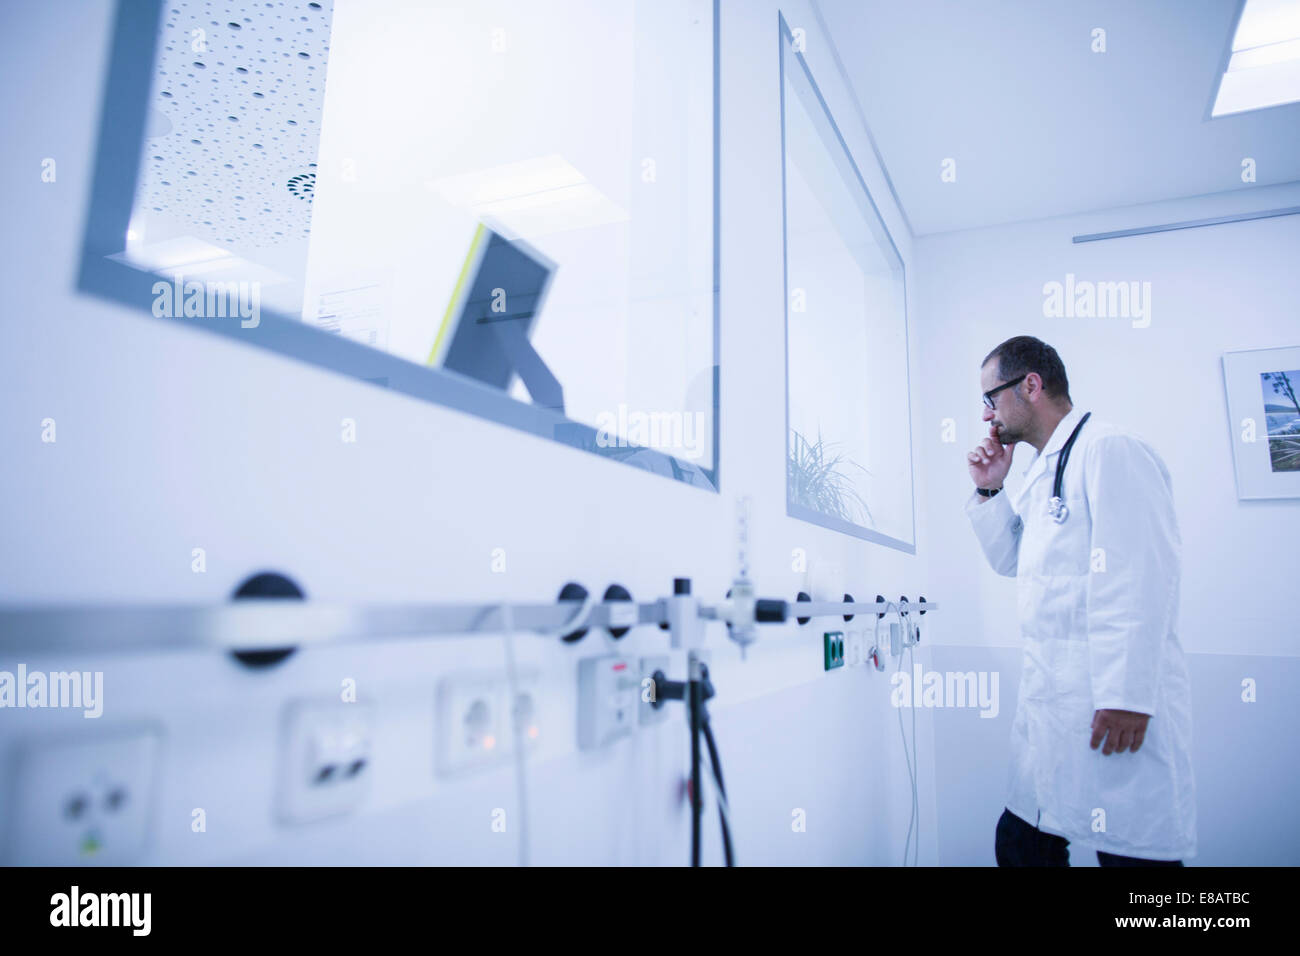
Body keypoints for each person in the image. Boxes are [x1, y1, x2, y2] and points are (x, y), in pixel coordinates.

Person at [965, 335, 1196, 866]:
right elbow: (1011, 562)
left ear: (1031, 385)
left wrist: (1128, 694)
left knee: (1134, 862)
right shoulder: (1045, 471)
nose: (986, 416)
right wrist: (990, 490)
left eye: (990, 398)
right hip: (1052, 712)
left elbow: (1141, 576)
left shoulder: (1111, 450)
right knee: (1020, 844)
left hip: (1107, 706)